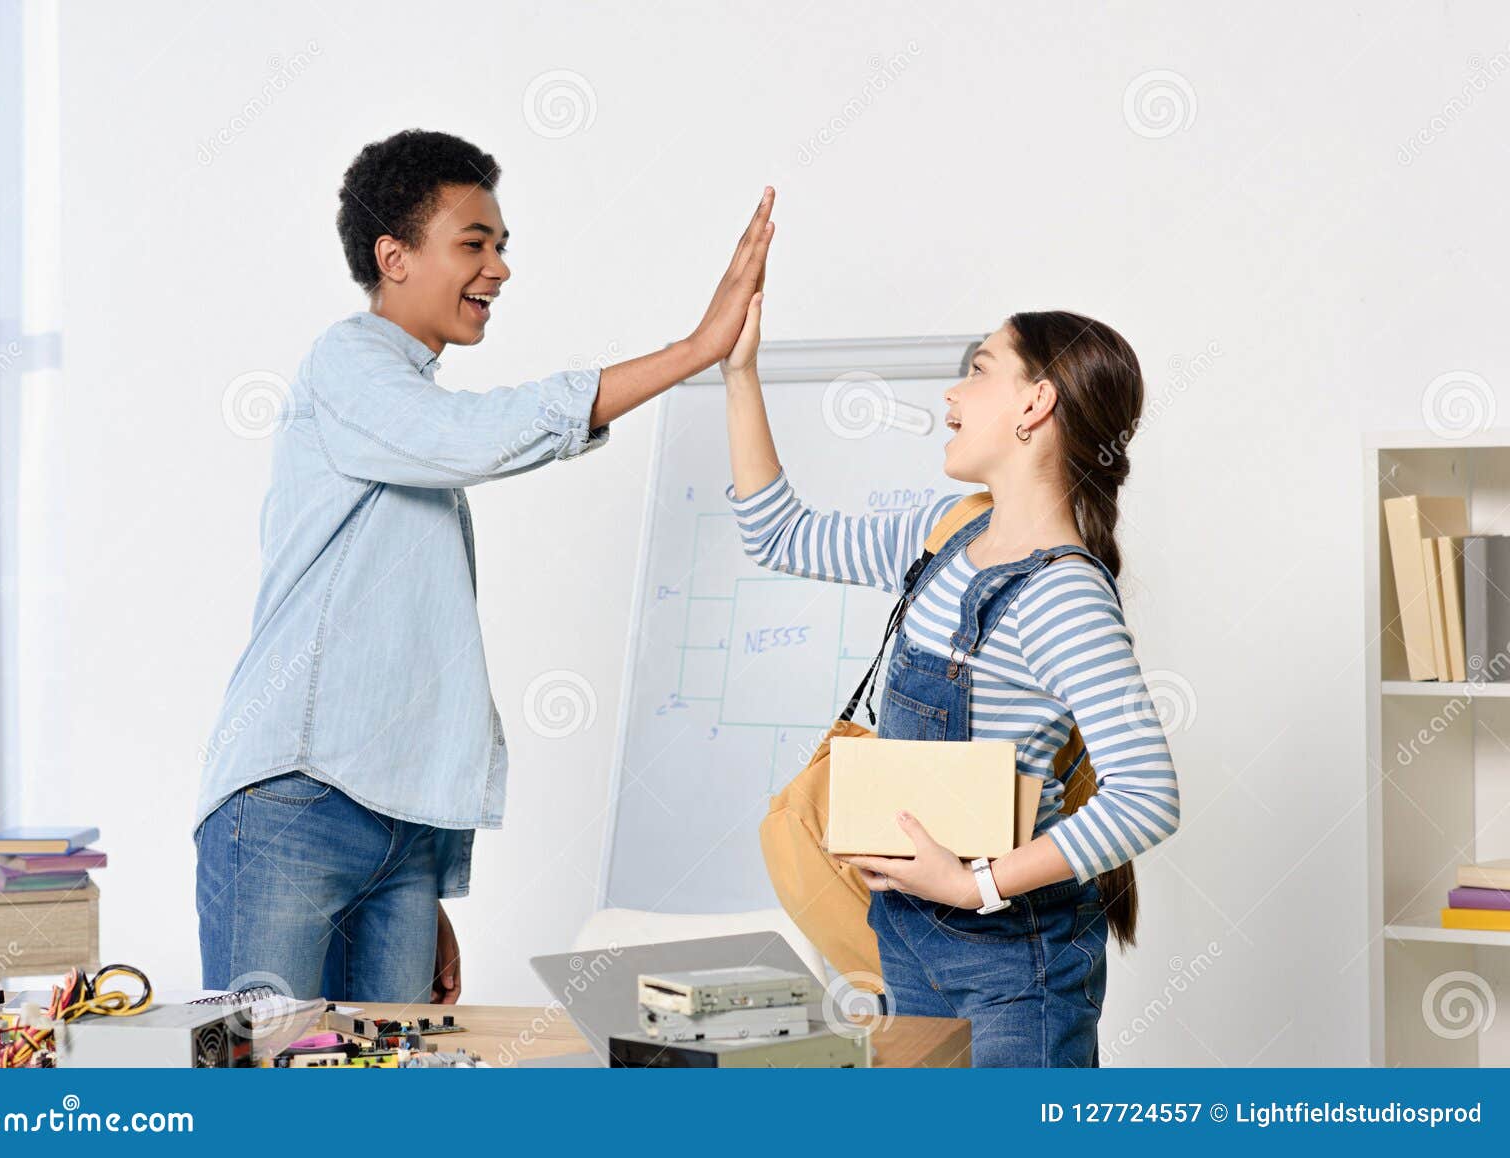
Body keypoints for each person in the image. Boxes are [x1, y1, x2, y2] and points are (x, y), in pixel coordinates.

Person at [194, 128, 775, 1002]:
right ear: (394, 256)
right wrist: (693, 351)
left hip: (396, 826)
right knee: (258, 1094)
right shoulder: (349, 364)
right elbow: (475, 438)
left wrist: (416, 875)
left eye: (501, 246)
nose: (499, 268)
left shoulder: (400, 410)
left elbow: (408, 654)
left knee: (387, 1101)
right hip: (293, 803)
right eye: (475, 243)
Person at [721, 291, 1179, 1066]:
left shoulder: (1063, 594)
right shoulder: (948, 531)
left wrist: (977, 885)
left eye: (977, 370)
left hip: (1013, 969)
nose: (952, 395)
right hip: (905, 942)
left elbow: (1146, 797)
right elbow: (778, 534)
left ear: (1036, 403)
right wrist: (739, 373)